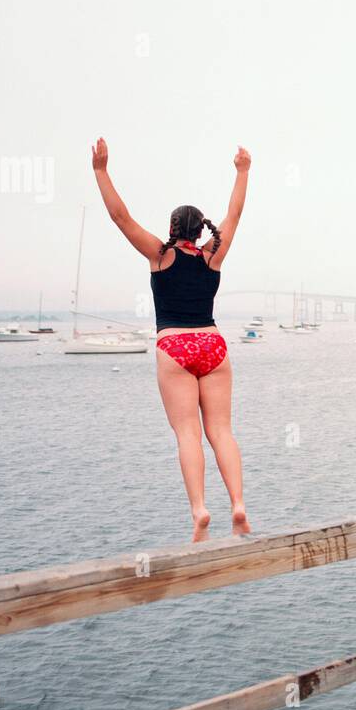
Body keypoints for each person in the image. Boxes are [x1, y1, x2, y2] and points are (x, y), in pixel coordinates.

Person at [91, 137, 253, 541]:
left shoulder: (160, 256)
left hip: (175, 347)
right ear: (201, 232)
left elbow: (120, 218)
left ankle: (199, 510)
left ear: (170, 229)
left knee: (188, 434)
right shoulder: (213, 255)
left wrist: (101, 171)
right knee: (222, 431)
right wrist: (243, 172)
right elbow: (234, 215)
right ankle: (238, 504)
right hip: (213, 345)